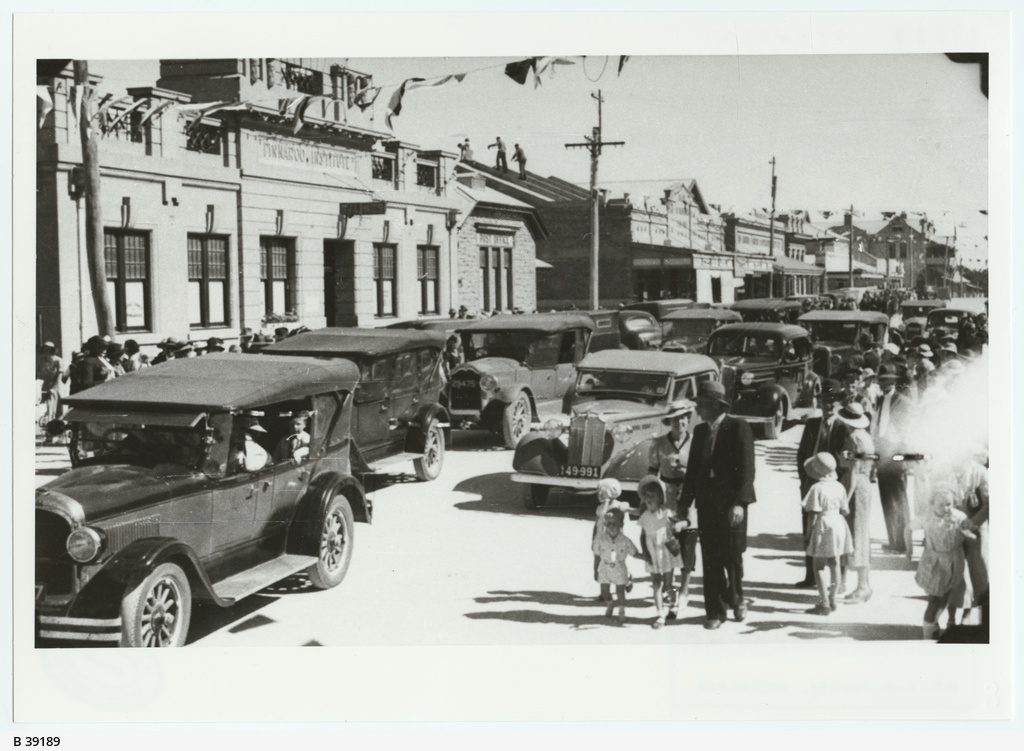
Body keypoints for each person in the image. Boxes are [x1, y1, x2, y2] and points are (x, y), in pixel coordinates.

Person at [679, 380, 757, 630]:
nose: (697, 410)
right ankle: (714, 610)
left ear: (714, 405)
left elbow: (747, 469)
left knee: (732, 555)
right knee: (710, 556)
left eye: (701, 404)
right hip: (707, 503)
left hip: (731, 504)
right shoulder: (701, 432)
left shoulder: (738, 427)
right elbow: (692, 471)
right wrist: (684, 504)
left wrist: (740, 503)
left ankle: (737, 597)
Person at [795, 379, 849, 588]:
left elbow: (844, 460)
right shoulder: (812, 424)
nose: (828, 405)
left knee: (836, 533)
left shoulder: (843, 427)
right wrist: (805, 480)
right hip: (811, 483)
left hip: (833, 486)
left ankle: (839, 580)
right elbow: (801, 454)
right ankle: (810, 575)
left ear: (839, 404)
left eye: (832, 401)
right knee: (809, 529)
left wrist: (836, 483)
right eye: (825, 400)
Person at [647, 400, 698, 613]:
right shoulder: (658, 444)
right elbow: (651, 475)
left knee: (688, 545)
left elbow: (704, 472)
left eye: (685, 417)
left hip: (691, 499)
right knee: (667, 546)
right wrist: (648, 502)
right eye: (676, 418)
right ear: (670, 421)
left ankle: (685, 590)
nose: (681, 422)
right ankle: (669, 589)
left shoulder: (696, 442)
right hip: (667, 500)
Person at [916, 486, 977, 639]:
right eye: (941, 504)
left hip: (956, 561)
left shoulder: (960, 517)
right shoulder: (927, 517)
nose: (945, 508)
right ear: (932, 504)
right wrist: (909, 550)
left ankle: (954, 623)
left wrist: (967, 534)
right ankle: (929, 631)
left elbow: (973, 535)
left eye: (949, 504)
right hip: (936, 562)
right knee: (936, 598)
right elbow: (909, 528)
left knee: (960, 594)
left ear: (954, 503)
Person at [801, 452, 853, 615]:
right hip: (838, 524)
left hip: (824, 524)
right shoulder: (839, 486)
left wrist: (808, 535)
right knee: (835, 561)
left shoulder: (816, 488)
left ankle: (824, 603)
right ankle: (832, 598)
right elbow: (845, 509)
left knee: (819, 566)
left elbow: (813, 514)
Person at [837, 401, 876, 604]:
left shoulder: (853, 438)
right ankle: (855, 583)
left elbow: (853, 470)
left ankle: (863, 587)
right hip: (864, 484)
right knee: (859, 534)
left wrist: (846, 499)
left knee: (857, 536)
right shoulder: (865, 436)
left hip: (856, 486)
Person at [872, 363, 913, 554]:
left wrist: (899, 454)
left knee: (898, 498)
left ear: (895, 381)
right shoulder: (880, 400)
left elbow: (907, 431)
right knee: (887, 498)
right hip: (881, 451)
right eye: (880, 380)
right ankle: (893, 540)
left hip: (895, 452)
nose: (882, 384)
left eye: (886, 380)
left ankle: (902, 543)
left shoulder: (902, 401)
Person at [637, 475, 683, 629]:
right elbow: (643, 536)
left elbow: (679, 521)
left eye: (652, 496)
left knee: (669, 584)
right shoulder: (644, 516)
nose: (649, 499)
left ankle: (674, 602)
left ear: (660, 498)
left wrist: (677, 526)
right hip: (652, 553)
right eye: (646, 496)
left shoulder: (666, 513)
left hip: (666, 553)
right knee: (656, 583)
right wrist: (645, 554)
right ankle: (660, 614)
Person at [592, 507, 642, 622]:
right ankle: (610, 603)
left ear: (621, 524)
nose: (611, 526)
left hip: (619, 568)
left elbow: (635, 554)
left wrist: (647, 558)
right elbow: (596, 555)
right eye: (608, 523)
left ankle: (621, 611)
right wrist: (595, 571)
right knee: (604, 592)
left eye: (614, 523)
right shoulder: (600, 539)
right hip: (605, 567)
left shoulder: (625, 540)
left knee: (620, 592)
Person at [36, 342, 68, 440]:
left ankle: (59, 435)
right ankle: (49, 435)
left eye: (49, 349)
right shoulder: (41, 361)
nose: (47, 351)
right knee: (47, 411)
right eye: (45, 349)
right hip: (44, 387)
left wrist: (54, 388)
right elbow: (38, 375)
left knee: (57, 411)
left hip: (57, 388)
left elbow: (59, 376)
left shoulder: (58, 361)